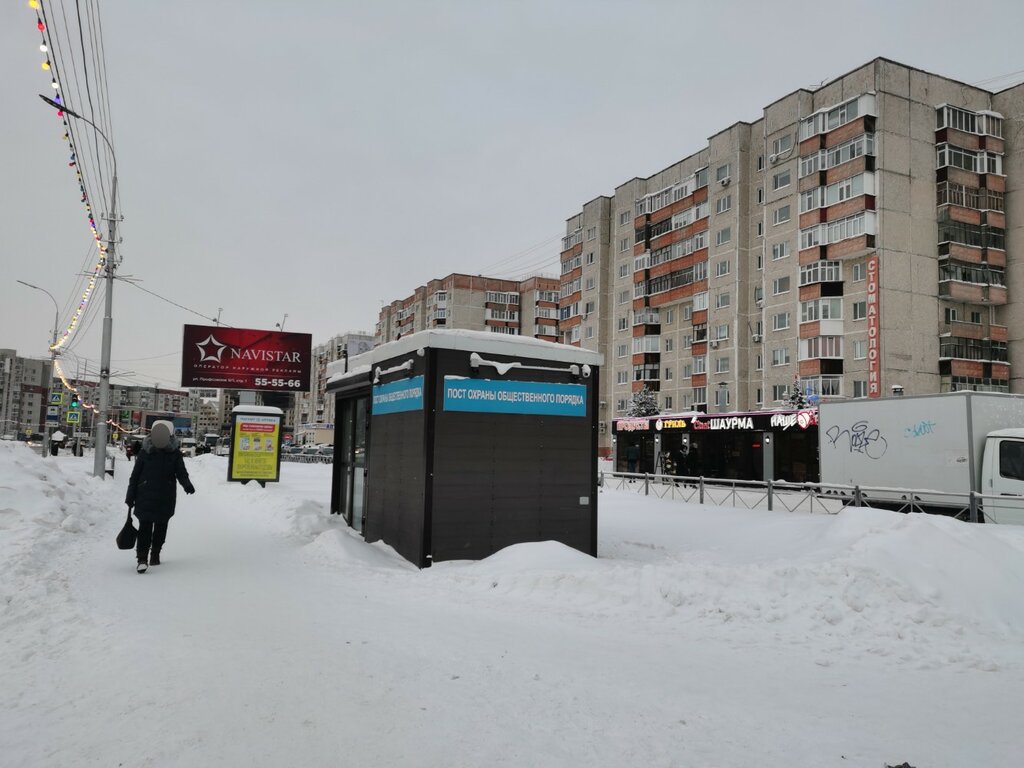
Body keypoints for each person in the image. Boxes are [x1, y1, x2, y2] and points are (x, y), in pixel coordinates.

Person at [125, 420, 195, 573]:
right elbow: (135, 476)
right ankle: (143, 558)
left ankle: (153, 554)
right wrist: (130, 496)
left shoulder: (172, 453)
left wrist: (187, 485)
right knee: (148, 526)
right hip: (152, 494)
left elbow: (180, 473)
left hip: (162, 495)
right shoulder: (147, 451)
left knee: (158, 526)